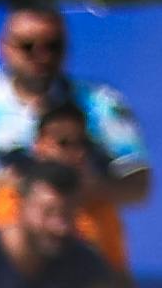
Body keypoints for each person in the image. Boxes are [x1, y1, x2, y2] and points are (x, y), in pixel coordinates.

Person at [0, 1, 152, 231]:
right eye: (28, 46)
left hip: (81, 249)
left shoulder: (99, 104)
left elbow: (137, 185)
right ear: (4, 47)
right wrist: (36, 181)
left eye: (52, 46)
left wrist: (82, 184)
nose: (41, 56)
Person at [27, 97, 133, 275]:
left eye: (82, 144)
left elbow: (118, 276)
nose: (77, 153)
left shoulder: (101, 209)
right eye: (64, 143)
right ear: (39, 146)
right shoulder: (11, 201)